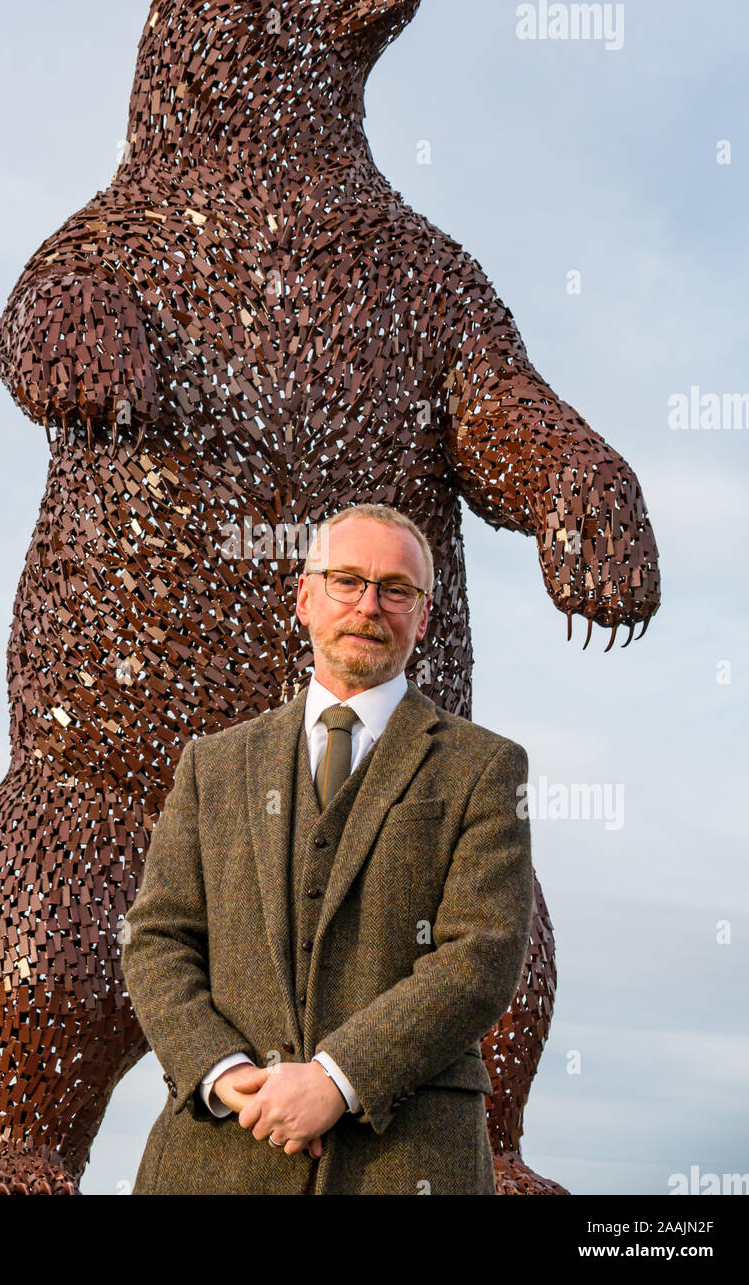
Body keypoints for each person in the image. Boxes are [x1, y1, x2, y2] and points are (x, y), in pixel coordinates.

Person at [121, 503, 534, 1194]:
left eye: (396, 590)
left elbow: (481, 957)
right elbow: (156, 937)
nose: (370, 605)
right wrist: (223, 1073)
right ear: (304, 600)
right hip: (214, 1156)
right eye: (347, 580)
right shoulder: (213, 764)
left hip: (407, 1164)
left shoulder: (485, 768)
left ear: (423, 617)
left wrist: (338, 1080)